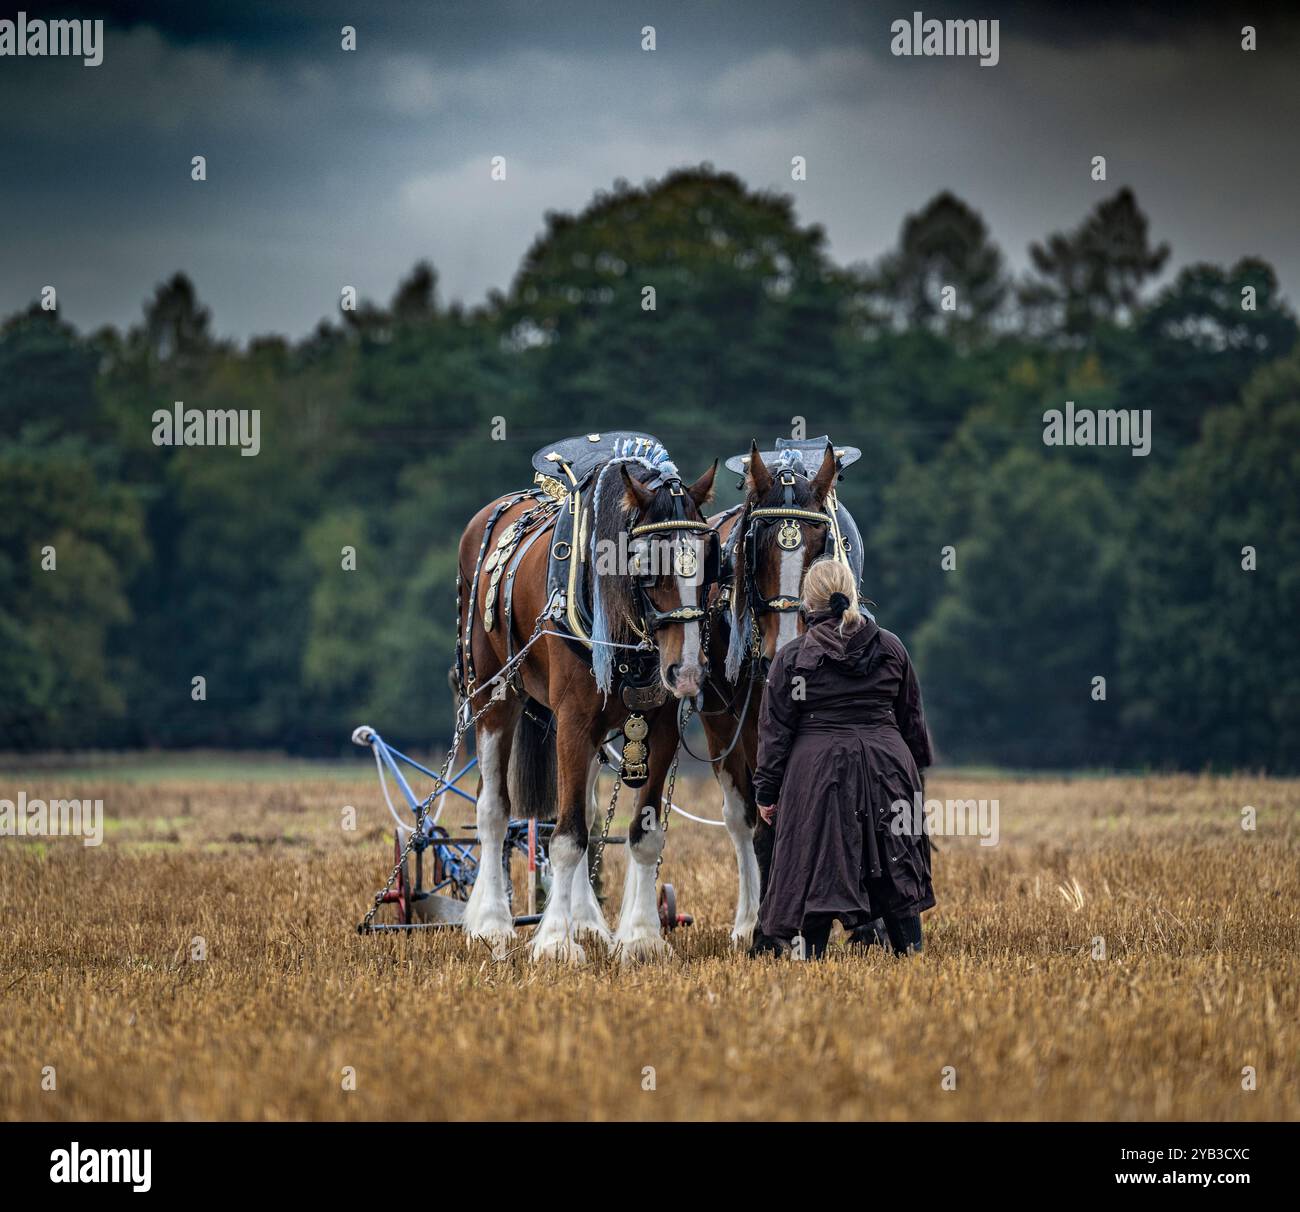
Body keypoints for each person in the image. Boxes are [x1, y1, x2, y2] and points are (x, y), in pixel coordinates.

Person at [752, 557, 935, 959]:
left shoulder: (792, 659)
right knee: (896, 868)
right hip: (889, 769)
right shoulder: (891, 647)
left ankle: (812, 958)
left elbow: (775, 734)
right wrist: (913, 775)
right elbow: (913, 721)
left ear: (806, 605)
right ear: (854, 595)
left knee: (815, 866)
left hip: (817, 774)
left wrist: (767, 793)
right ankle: (912, 954)